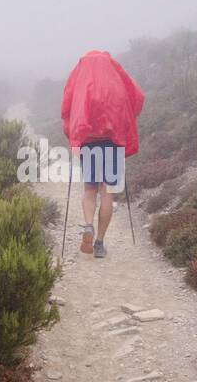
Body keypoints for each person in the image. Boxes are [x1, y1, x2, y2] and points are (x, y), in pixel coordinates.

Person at [60, 49, 145, 257]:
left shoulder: (80, 75)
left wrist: (73, 133)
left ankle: (88, 225)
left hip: (89, 142)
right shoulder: (115, 73)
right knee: (108, 192)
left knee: (90, 189)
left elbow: (67, 105)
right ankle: (99, 243)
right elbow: (137, 97)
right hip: (113, 142)